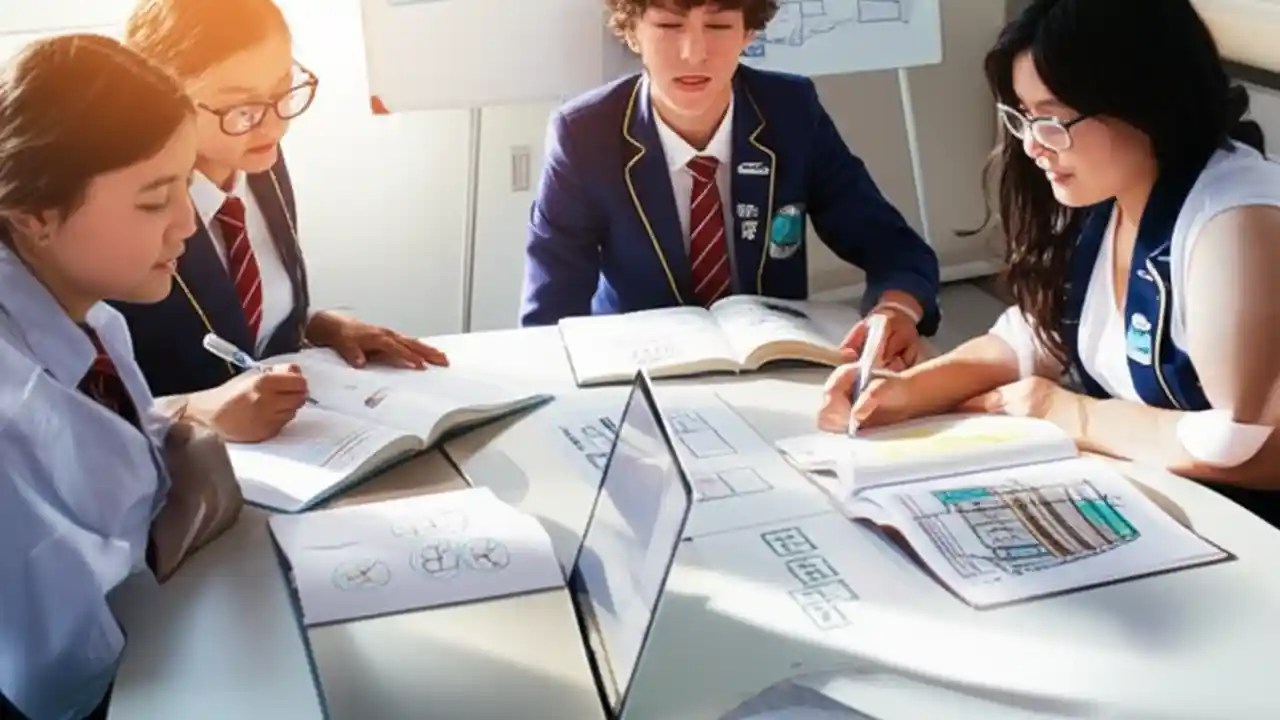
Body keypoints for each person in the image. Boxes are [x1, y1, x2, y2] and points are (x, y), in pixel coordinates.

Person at [819, 0, 1280, 525]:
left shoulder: (1235, 221)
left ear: (1145, 99)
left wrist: (1066, 411)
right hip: (1173, 504)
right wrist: (909, 391)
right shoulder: (1108, 187)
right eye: (1024, 117)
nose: (1034, 146)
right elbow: (1035, 336)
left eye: (1053, 120)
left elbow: (1238, 437)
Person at [520, 0, 941, 368]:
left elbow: (892, 245)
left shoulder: (791, 111)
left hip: (774, 364)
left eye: (719, 26)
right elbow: (550, 308)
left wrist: (896, 311)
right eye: (669, 26)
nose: (694, 53)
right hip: (640, 374)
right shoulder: (584, 134)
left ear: (748, 33)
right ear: (632, 32)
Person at [114, 0, 448, 443]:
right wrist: (193, 412)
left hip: (293, 439)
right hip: (176, 462)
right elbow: (74, 407)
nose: (273, 126)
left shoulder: (257, 159)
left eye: (283, 89)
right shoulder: (121, 212)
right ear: (161, 100)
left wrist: (317, 324)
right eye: (242, 109)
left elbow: (244, 313)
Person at [0, 34, 198, 719]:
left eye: (186, 184)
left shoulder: (94, 320)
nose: (187, 223)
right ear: (34, 215)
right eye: (155, 200)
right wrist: (175, 532)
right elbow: (59, 677)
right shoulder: (10, 412)